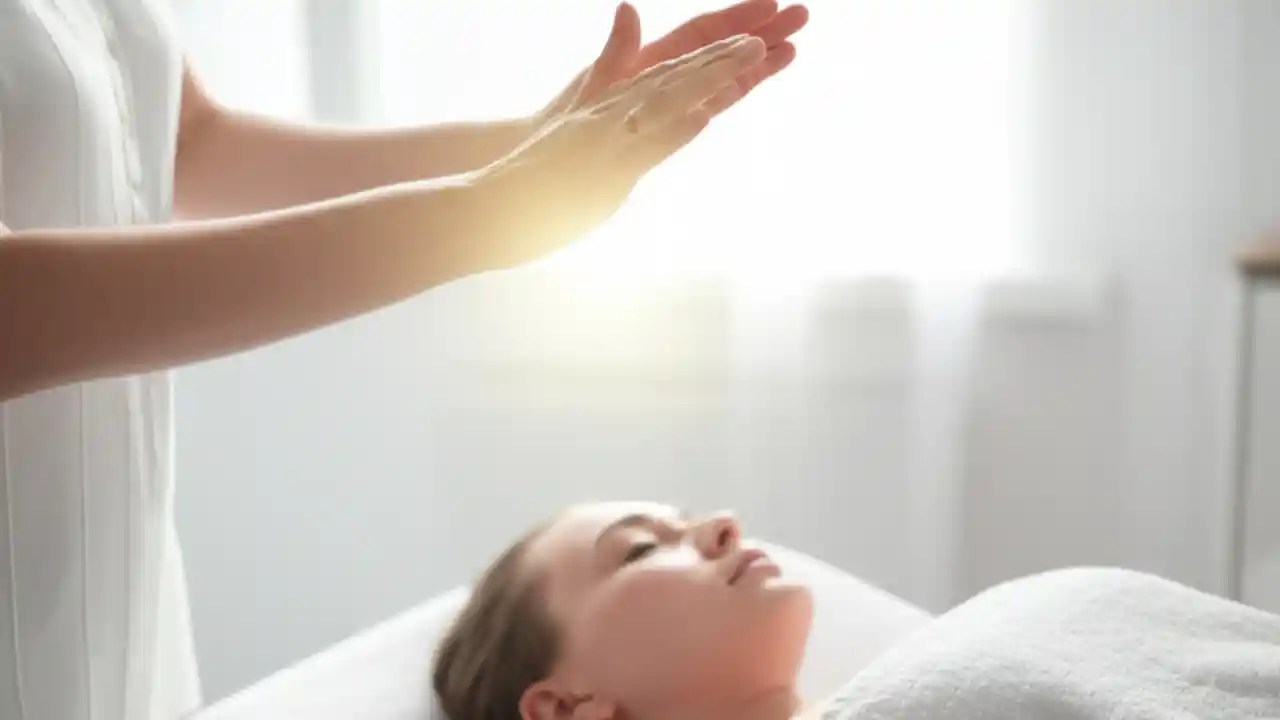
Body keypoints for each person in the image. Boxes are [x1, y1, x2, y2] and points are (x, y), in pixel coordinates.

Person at [0, 1, 809, 718]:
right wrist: (484, 211)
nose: (723, 525)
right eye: (635, 549)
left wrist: (541, 148)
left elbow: (193, 144)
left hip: (106, 587)